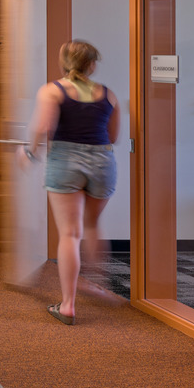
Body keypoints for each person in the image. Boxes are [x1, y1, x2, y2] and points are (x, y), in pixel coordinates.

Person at [23, 40, 120, 325]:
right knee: (91, 226)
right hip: (102, 161)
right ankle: (94, 282)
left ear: (64, 62)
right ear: (92, 64)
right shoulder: (108, 95)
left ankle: (67, 305)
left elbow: (43, 128)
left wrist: (29, 152)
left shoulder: (53, 90)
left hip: (65, 160)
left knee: (70, 234)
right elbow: (112, 136)